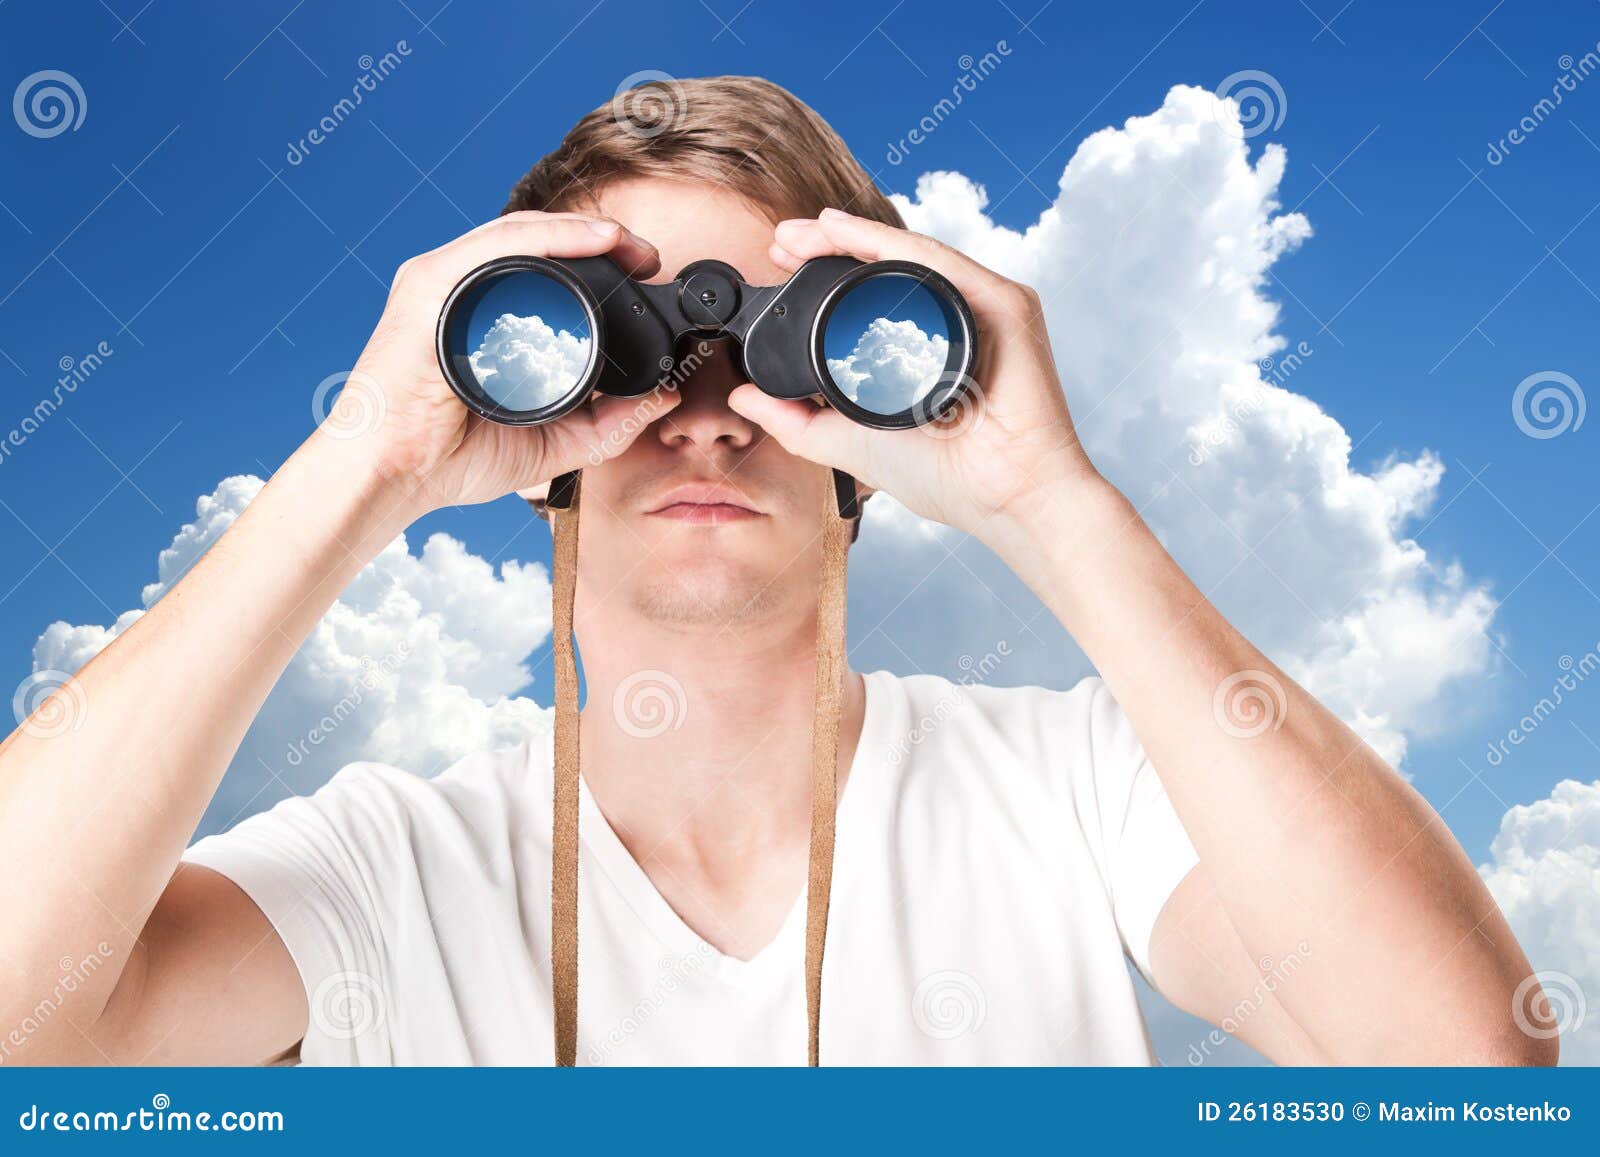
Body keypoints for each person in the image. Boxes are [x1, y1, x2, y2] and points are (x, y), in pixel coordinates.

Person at [0, 76, 1549, 1066]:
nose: (701, 407)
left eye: (777, 350)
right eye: (624, 339)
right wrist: (364, 460)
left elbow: (1466, 1066)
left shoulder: (1079, 790)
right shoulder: (394, 866)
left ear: (870, 412)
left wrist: (1047, 494)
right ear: (535, 433)